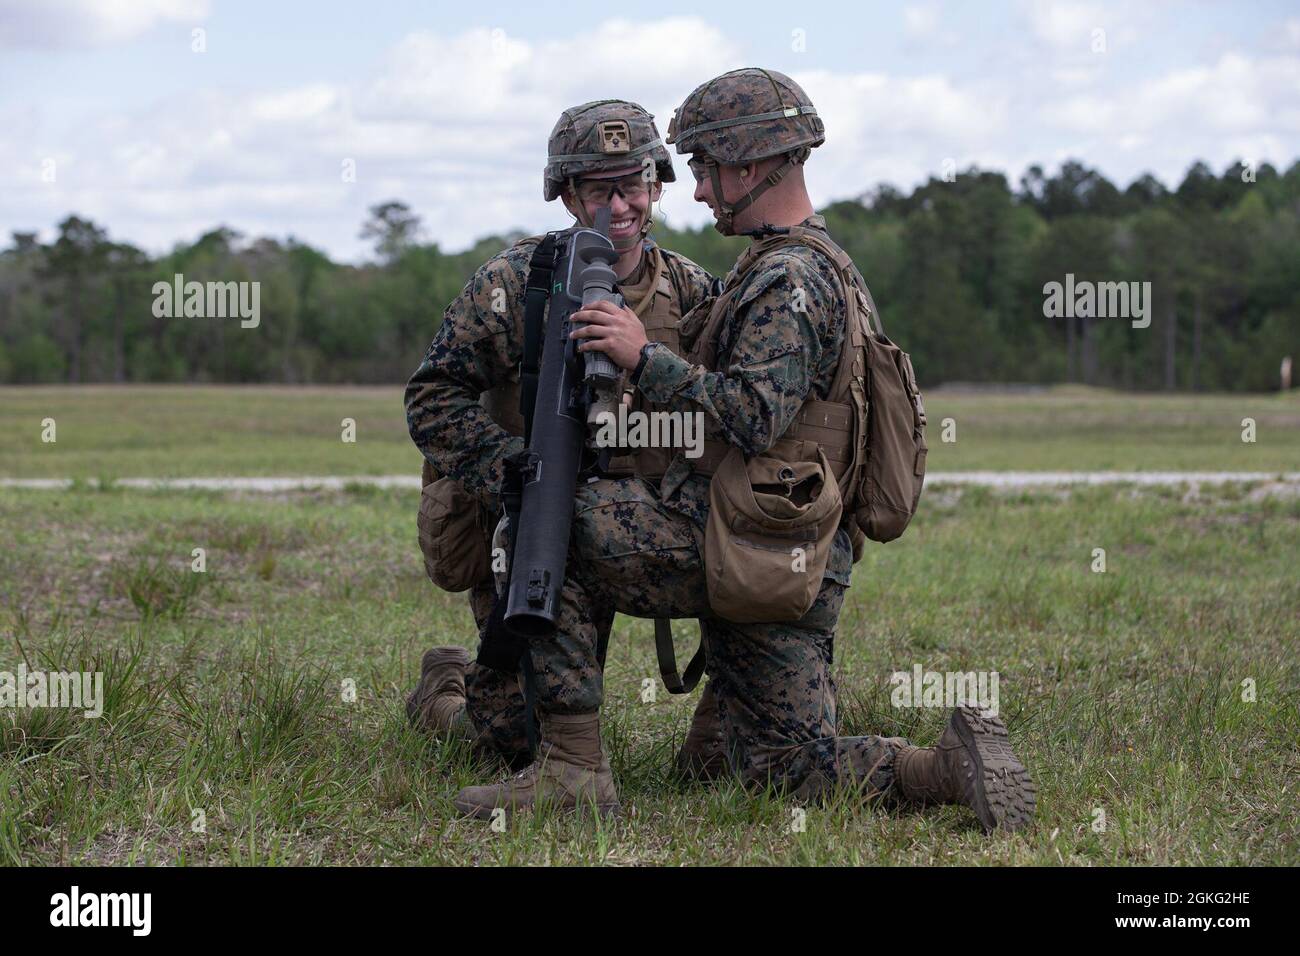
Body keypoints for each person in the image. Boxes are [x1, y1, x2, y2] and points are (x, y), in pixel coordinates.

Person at [451, 69, 1036, 834]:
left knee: (553, 519)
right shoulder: (814, 262)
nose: (695, 192)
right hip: (790, 545)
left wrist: (640, 357)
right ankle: (944, 767)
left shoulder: (786, 278)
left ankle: (571, 773)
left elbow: (755, 414)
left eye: (702, 170)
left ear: (749, 166)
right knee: (780, 766)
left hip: (752, 544)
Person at [404, 99, 724, 774]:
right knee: (507, 744)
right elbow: (432, 397)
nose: (618, 205)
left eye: (631, 185)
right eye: (597, 187)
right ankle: (445, 692)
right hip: (536, 523)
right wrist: (510, 471)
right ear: (568, 194)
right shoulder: (515, 285)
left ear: (657, 186)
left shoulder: (693, 290)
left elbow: (728, 410)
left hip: (639, 526)